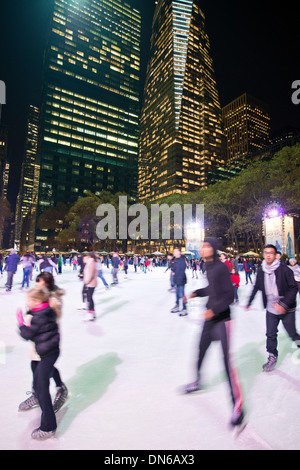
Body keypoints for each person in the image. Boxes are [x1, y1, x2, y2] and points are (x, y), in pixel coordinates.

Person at [183, 238, 244, 428]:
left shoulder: (221, 267)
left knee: (227, 362)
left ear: (214, 249)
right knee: (200, 350)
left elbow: (228, 295)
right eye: (203, 245)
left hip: (222, 319)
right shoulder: (208, 266)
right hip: (210, 320)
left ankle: (238, 407)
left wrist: (213, 310)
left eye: (207, 246)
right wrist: (195, 293)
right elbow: (211, 288)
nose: (203, 248)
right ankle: (197, 381)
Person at [18, 272, 68, 413]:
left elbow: (52, 314)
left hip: (48, 336)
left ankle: (58, 388)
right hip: (38, 336)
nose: (35, 285)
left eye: (38, 283)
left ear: (45, 284)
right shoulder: (39, 295)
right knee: (36, 364)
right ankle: (37, 393)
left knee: (43, 366)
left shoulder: (53, 298)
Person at [246, 244, 299, 372]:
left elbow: (293, 288)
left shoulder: (284, 269)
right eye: (266, 252)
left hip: (286, 308)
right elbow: (257, 286)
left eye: (271, 252)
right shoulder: (261, 270)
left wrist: (284, 305)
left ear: (275, 255)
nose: (268, 255)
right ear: (263, 255)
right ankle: (272, 356)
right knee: (270, 334)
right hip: (271, 308)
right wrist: (249, 301)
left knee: (292, 334)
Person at [16, 286, 60, 440]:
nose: (26, 303)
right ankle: (38, 395)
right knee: (37, 377)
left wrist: (21, 323)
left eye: (28, 300)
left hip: (47, 353)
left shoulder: (39, 316)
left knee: (42, 389)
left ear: (37, 301)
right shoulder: (45, 310)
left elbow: (27, 334)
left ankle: (48, 427)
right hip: (48, 351)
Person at [170, 248, 188, 316]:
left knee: (182, 295)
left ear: (179, 252)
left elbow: (182, 270)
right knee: (177, 295)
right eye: (173, 251)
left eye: (175, 251)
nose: (173, 252)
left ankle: (184, 309)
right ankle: (177, 306)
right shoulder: (175, 260)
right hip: (176, 280)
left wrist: (179, 279)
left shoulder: (182, 259)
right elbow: (174, 268)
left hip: (181, 280)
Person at [83, 252, 98, 321]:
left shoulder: (91, 262)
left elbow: (90, 273)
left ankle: (90, 313)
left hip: (90, 283)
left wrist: (86, 281)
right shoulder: (92, 261)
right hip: (91, 282)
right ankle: (92, 312)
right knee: (89, 297)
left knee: (89, 297)